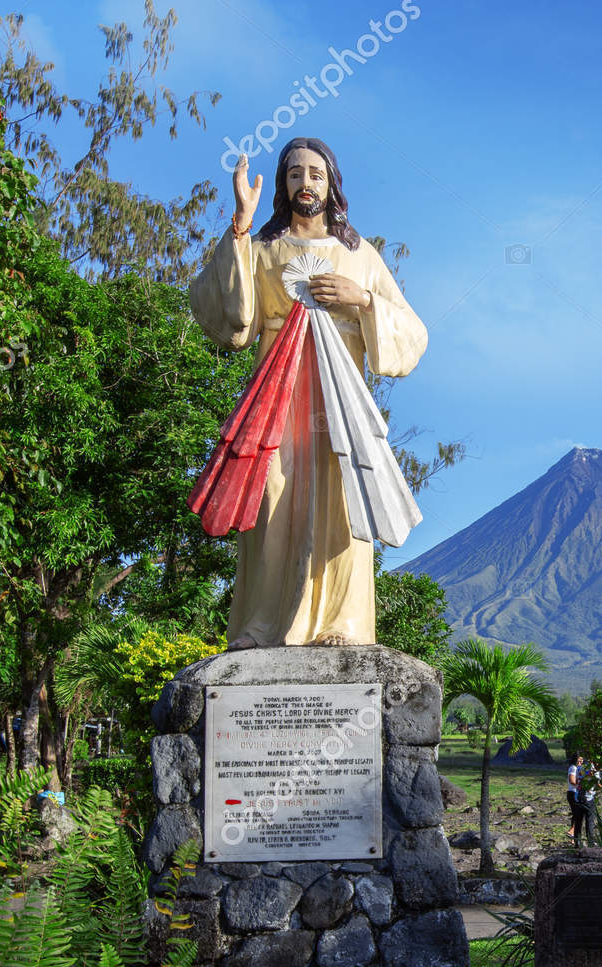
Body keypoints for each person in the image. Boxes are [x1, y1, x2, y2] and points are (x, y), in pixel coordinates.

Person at [189, 138, 428, 649]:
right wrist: (239, 226)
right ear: (283, 185)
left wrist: (362, 299)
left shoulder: (359, 256)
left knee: (341, 497)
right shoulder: (261, 248)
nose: (305, 183)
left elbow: (412, 334)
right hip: (278, 391)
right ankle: (262, 625)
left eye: (315, 174)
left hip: (337, 396)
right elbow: (232, 323)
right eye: (294, 173)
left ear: (331, 184)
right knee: (271, 494)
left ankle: (343, 622)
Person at [578, 758, 601, 848]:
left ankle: (578, 842)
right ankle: (590, 842)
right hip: (587, 797)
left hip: (582, 796)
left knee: (581, 820)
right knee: (589, 820)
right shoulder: (592, 769)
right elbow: (593, 780)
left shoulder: (584, 768)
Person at [566, 753, 587, 844]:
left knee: (576, 815)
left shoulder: (579, 768)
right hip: (573, 793)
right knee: (577, 814)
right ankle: (572, 831)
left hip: (577, 792)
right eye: (579, 759)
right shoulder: (573, 768)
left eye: (582, 760)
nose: (581, 761)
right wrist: (582, 784)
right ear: (575, 759)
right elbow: (572, 781)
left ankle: (573, 837)